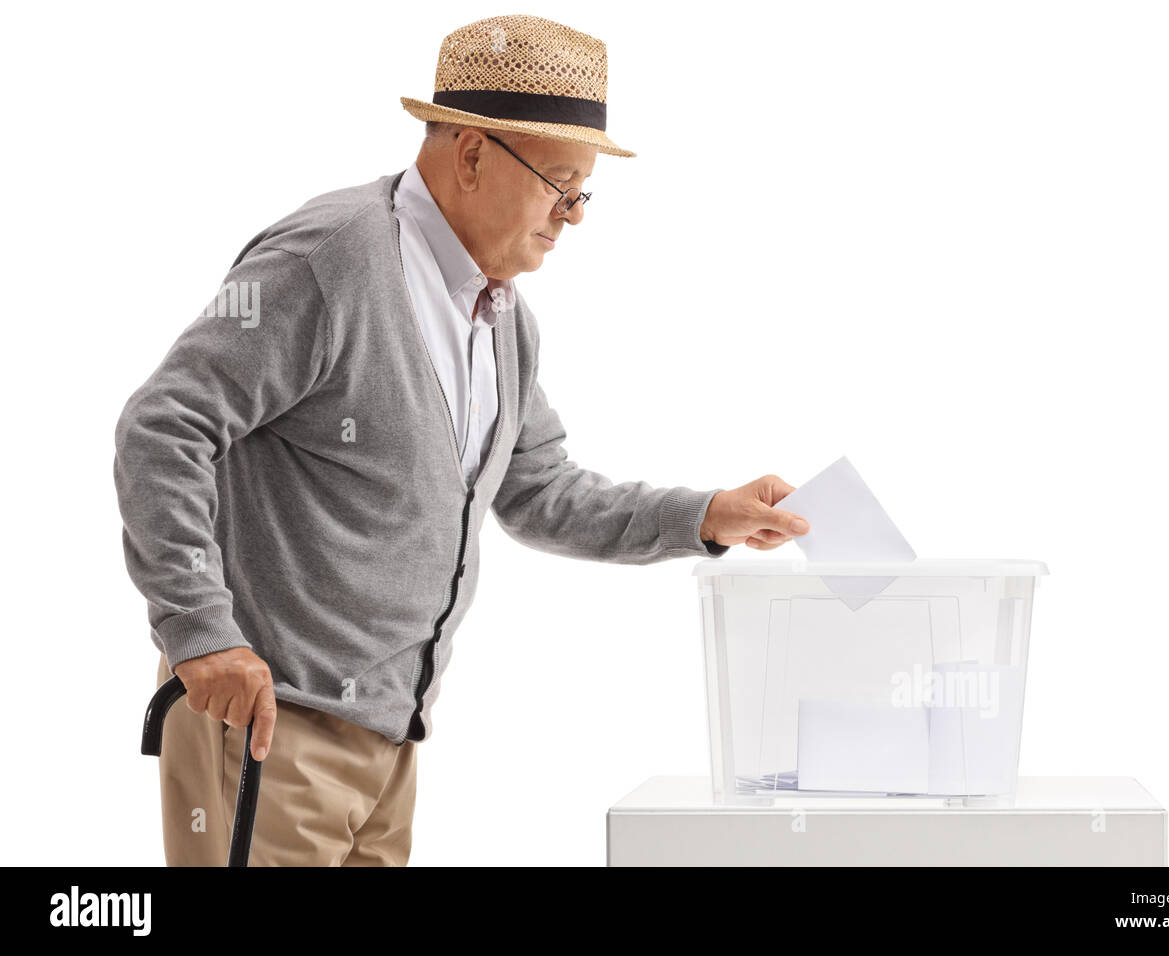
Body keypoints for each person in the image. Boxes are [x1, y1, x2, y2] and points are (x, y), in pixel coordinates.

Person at [113, 13, 809, 866]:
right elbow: (164, 425)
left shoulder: (502, 319)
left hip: (389, 750)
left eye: (583, 191)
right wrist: (201, 633)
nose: (574, 215)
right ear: (472, 153)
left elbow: (541, 490)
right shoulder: (326, 261)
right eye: (560, 183)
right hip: (267, 729)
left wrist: (705, 515)